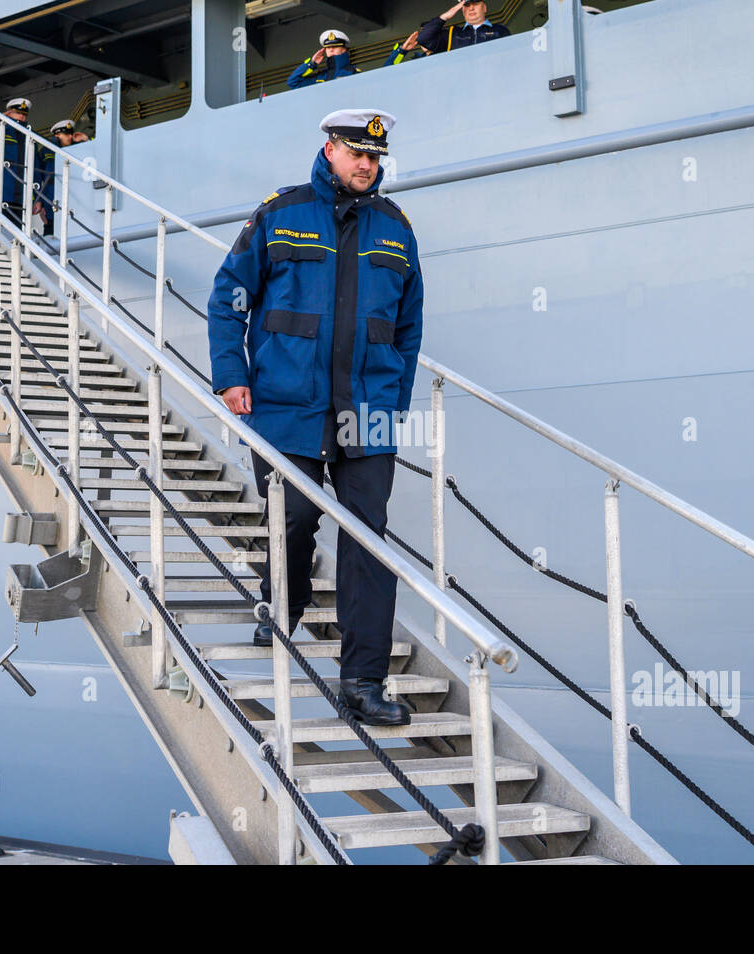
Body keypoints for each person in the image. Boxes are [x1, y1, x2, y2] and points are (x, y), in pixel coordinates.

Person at [207, 109, 424, 726]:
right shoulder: (281, 212)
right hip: (284, 401)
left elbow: (408, 325)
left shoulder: (396, 228)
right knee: (294, 517)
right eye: (358, 153)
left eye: (376, 158)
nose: (368, 165)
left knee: (366, 540)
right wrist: (231, 374)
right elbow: (230, 297)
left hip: (369, 408)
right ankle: (287, 599)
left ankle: (361, 682)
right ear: (330, 149)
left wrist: (396, 400)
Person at [0, 97, 36, 225]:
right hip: (1, 191)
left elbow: (35, 166)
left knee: (18, 233)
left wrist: (35, 197)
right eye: (18, 113)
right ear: (9, 113)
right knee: (0, 229)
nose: (21, 117)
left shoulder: (29, 136)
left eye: (24, 114)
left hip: (22, 195)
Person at [418, 0, 510, 53]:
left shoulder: (500, 30)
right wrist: (445, 16)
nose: (471, 8)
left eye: (476, 3)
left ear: (484, 8)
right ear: (462, 9)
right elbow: (423, 39)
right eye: (466, 5)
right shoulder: (452, 34)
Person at [287, 29, 359, 89]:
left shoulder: (353, 72)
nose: (331, 50)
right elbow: (293, 82)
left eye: (335, 46)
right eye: (328, 48)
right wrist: (311, 64)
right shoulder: (321, 76)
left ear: (344, 50)